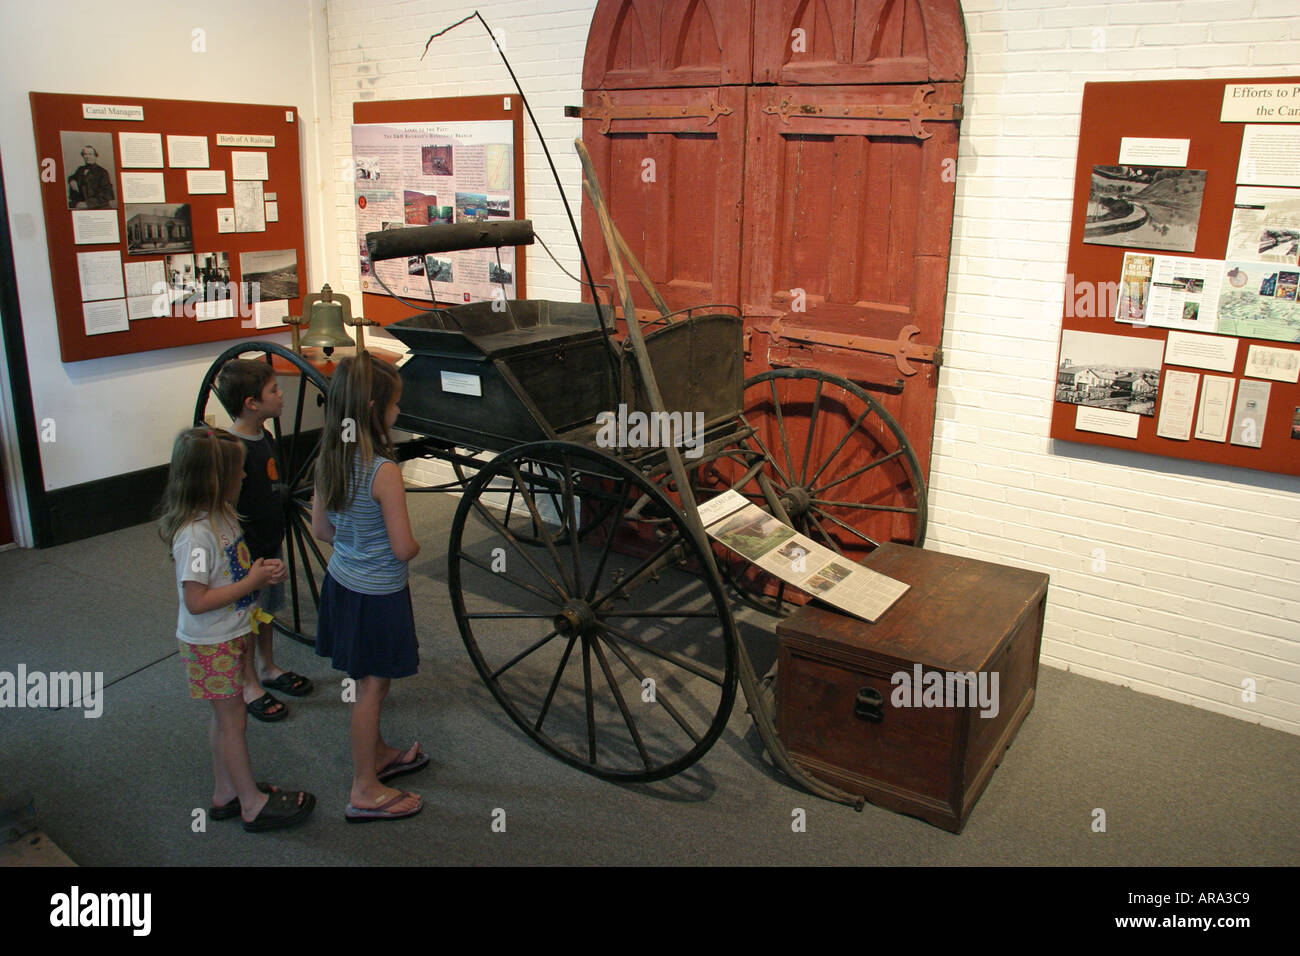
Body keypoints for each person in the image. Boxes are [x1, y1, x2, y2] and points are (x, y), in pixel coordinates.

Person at [158, 427, 315, 832]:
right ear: (213, 479)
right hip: (211, 643)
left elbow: (231, 570)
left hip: (230, 632)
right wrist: (250, 584)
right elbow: (195, 600)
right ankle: (251, 803)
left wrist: (261, 573)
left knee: (224, 719)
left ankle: (225, 791)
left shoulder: (223, 515)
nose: (245, 477)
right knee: (233, 722)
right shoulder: (195, 535)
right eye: (238, 472)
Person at [311, 352, 426, 823]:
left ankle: (376, 753)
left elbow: (321, 530)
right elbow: (403, 548)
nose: (399, 412)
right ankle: (363, 788)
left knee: (366, 682)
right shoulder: (384, 472)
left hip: (343, 583)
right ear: (376, 407)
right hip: (377, 595)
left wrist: (357, 546)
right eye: (395, 404)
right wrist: (415, 545)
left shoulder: (327, 460)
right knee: (372, 688)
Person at [215, 359, 316, 723]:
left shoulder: (266, 438)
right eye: (274, 390)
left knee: (266, 612)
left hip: (269, 542)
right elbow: (224, 506)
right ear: (251, 402)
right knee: (245, 617)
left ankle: (268, 666)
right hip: (244, 553)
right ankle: (247, 683)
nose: (281, 395)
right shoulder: (231, 448)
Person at [67, 145, 115, 210]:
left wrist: (87, 204)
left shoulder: (102, 172)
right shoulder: (80, 169)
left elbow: (106, 193)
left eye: (90, 154)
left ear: (95, 156)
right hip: (81, 205)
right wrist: (72, 180)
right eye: (85, 154)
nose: (87, 157)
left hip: (98, 207)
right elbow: (72, 177)